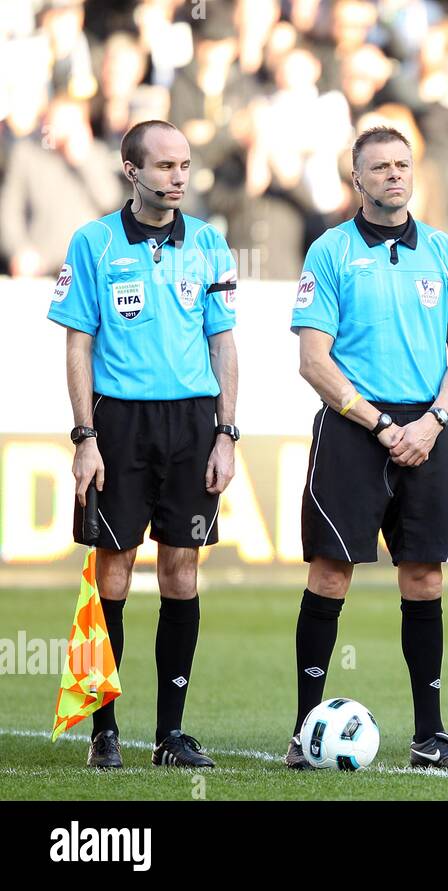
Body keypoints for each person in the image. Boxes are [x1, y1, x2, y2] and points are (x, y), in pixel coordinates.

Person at [286, 126, 448, 771]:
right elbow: (313, 360)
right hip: (352, 429)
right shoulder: (330, 252)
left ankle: (430, 733)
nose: (395, 175)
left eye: (403, 164)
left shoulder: (447, 253)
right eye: (380, 167)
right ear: (357, 179)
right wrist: (378, 424)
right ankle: (303, 730)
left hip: (427, 430)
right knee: (331, 574)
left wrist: (432, 422)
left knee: (424, 576)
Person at [47, 119, 240, 770]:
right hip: (120, 422)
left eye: (184, 165)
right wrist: (84, 436)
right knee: (115, 572)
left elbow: (223, 342)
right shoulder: (94, 242)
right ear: (131, 171)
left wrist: (226, 431)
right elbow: (78, 342)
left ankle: (170, 735)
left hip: (191, 423)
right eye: (164, 166)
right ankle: (104, 728)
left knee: (181, 573)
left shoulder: (210, 243)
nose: (178, 177)